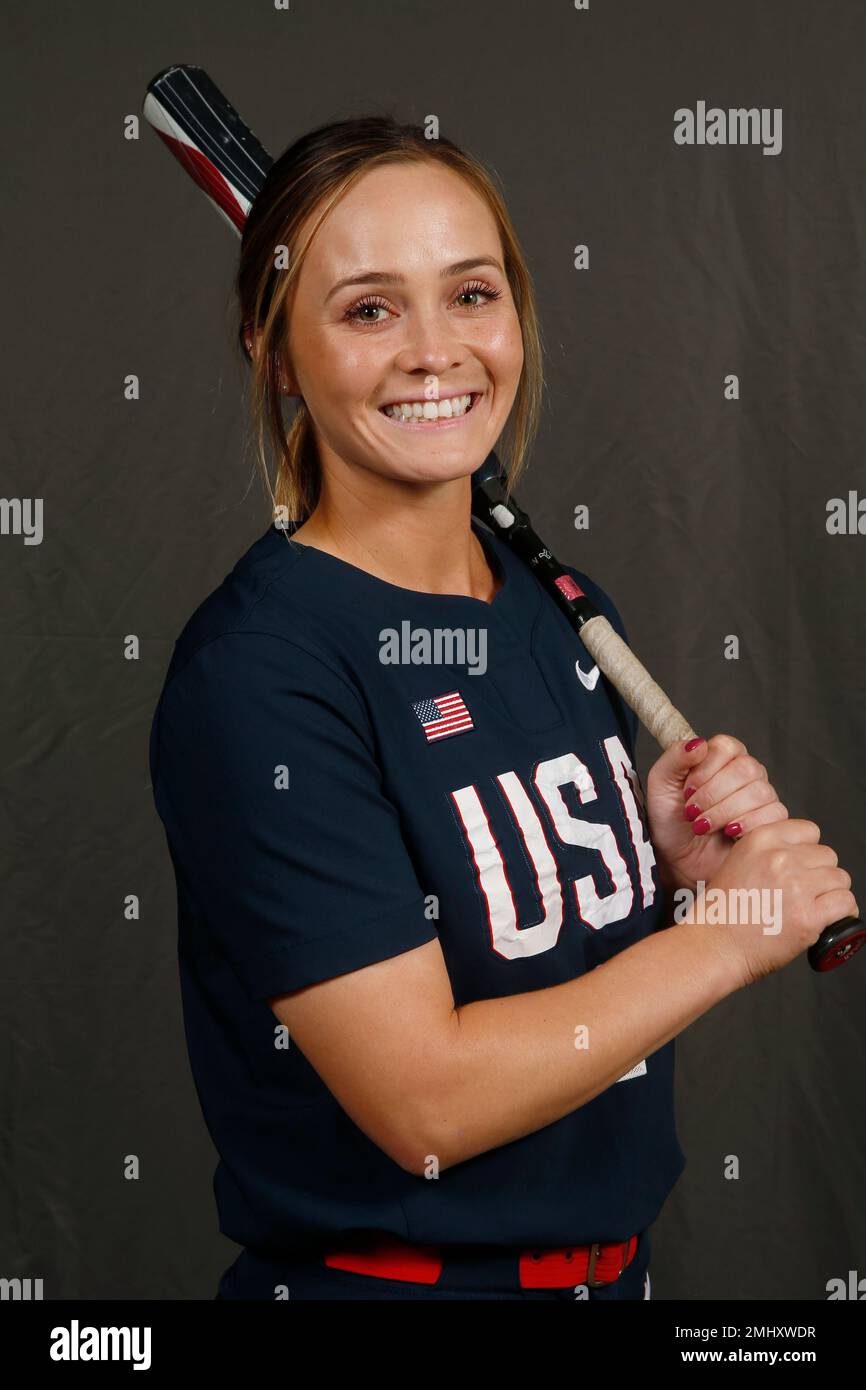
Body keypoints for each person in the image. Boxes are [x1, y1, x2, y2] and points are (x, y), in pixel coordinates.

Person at [148, 116, 857, 1301]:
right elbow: (426, 1099)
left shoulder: (555, 604)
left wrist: (646, 865)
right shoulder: (261, 674)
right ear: (274, 352)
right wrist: (725, 935)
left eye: (469, 293)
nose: (436, 352)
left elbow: (531, 963)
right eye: (369, 308)